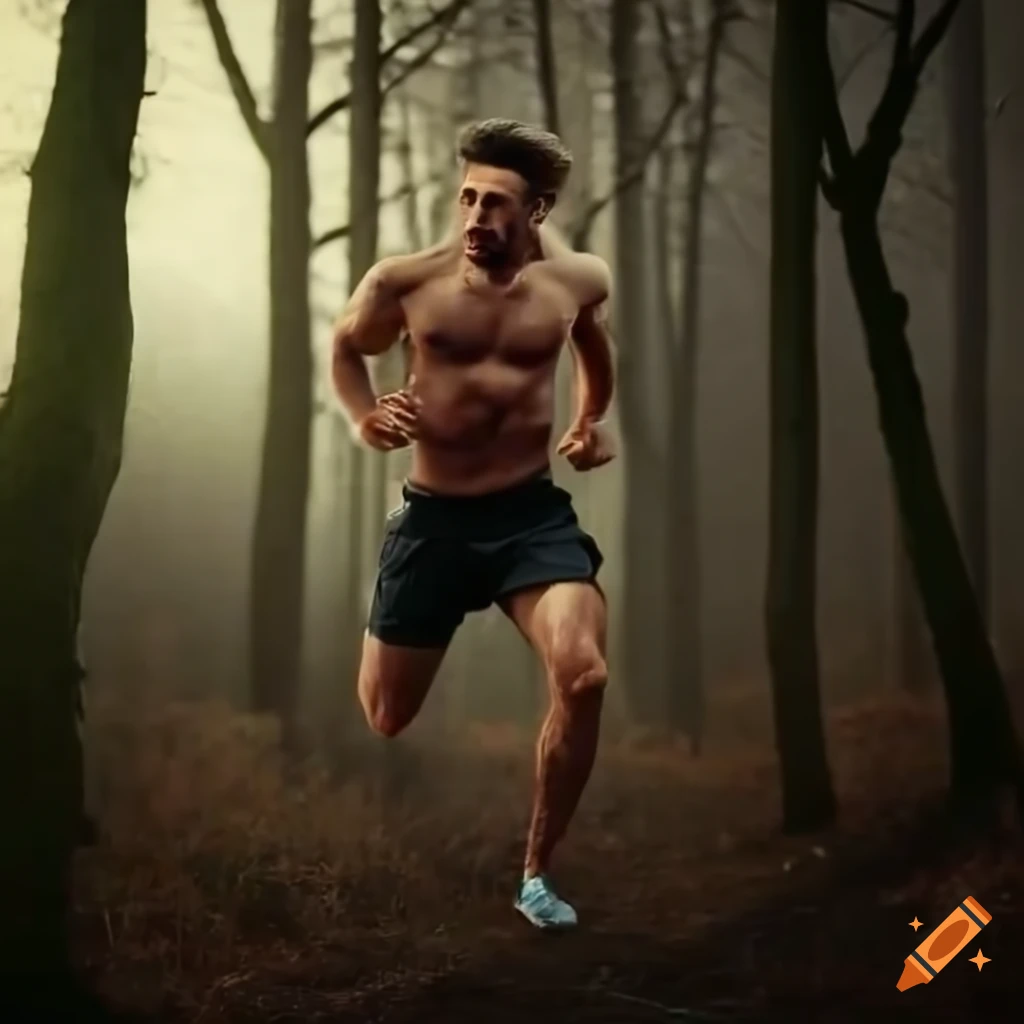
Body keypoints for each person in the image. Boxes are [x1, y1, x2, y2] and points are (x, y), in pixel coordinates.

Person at [331, 118, 616, 930]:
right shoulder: (405, 282)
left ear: (538, 212)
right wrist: (364, 418)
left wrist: (592, 420)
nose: (475, 218)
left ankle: (536, 874)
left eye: (496, 202)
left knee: (585, 676)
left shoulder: (575, 281)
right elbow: (348, 349)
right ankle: (398, 586)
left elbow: (591, 343)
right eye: (467, 197)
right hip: (434, 524)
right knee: (386, 716)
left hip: (531, 520)